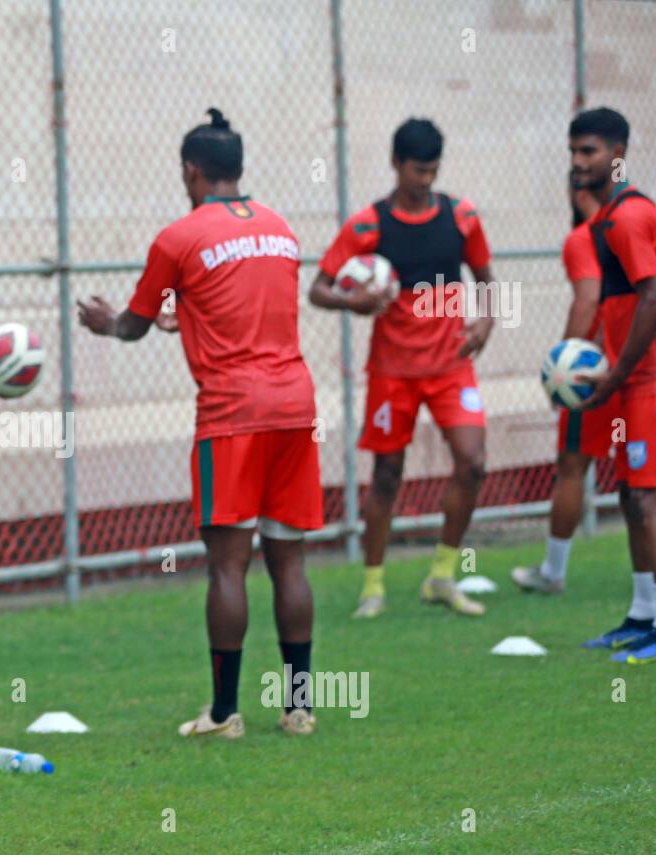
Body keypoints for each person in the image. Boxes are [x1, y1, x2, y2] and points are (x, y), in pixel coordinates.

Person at [78, 109, 322, 739]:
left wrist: (106, 323)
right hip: (295, 405)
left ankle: (223, 712)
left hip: (233, 413)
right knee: (290, 564)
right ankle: (299, 707)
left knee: (228, 567)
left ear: (191, 171)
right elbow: (245, 309)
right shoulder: (281, 229)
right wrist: (188, 316)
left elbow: (131, 324)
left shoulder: (179, 237)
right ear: (237, 169)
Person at [308, 118, 495, 619]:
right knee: (388, 474)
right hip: (393, 372)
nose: (425, 180)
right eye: (417, 170)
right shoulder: (368, 225)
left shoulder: (462, 217)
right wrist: (356, 302)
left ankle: (441, 575)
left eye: (433, 171)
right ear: (395, 164)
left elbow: (486, 278)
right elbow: (318, 288)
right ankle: (373, 586)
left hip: (452, 365)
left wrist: (486, 321)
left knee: (473, 461)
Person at [565, 107, 656, 663]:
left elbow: (655, 296)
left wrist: (618, 373)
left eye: (591, 151)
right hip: (630, 382)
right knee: (632, 496)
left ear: (618, 154)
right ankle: (644, 614)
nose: (580, 162)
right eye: (575, 152)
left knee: (653, 498)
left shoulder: (629, 218)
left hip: (651, 380)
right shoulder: (606, 219)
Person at [512, 182, 618, 595]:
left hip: (600, 370)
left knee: (572, 465)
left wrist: (565, 368)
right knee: (647, 481)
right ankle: (650, 597)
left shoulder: (585, 236)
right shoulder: (640, 225)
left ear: (578, 194)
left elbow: (587, 300)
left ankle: (553, 572)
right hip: (648, 362)